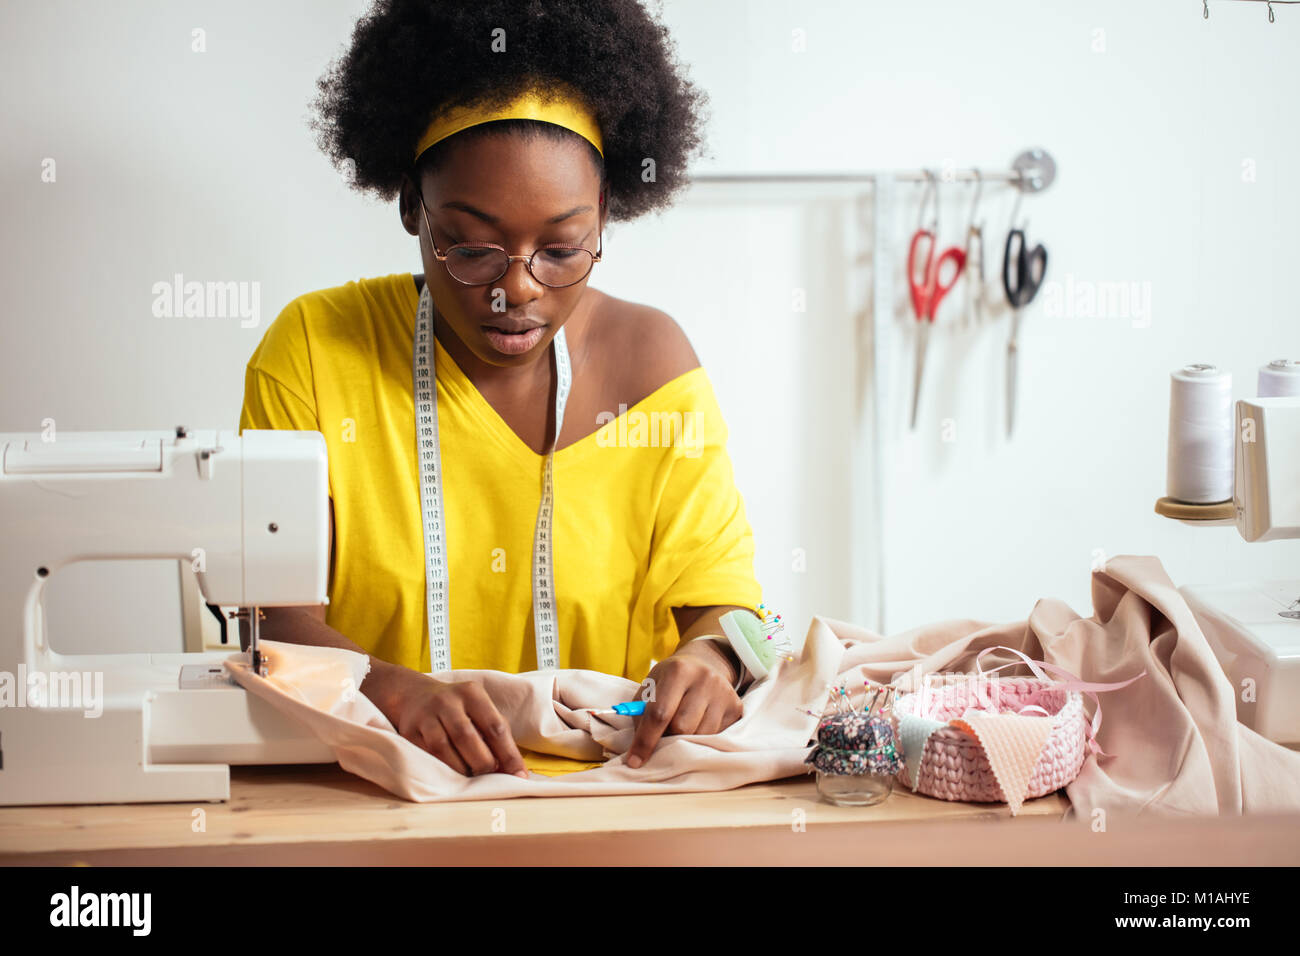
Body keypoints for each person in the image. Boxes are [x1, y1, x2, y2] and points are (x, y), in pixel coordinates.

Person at [238, 0, 764, 779]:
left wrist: (713, 662)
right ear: (413, 204)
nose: (515, 290)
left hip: (610, 812)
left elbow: (731, 609)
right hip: (366, 794)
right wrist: (388, 689)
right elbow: (262, 618)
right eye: (472, 247)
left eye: (560, 249)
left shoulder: (652, 368)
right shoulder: (315, 353)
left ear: (606, 213)